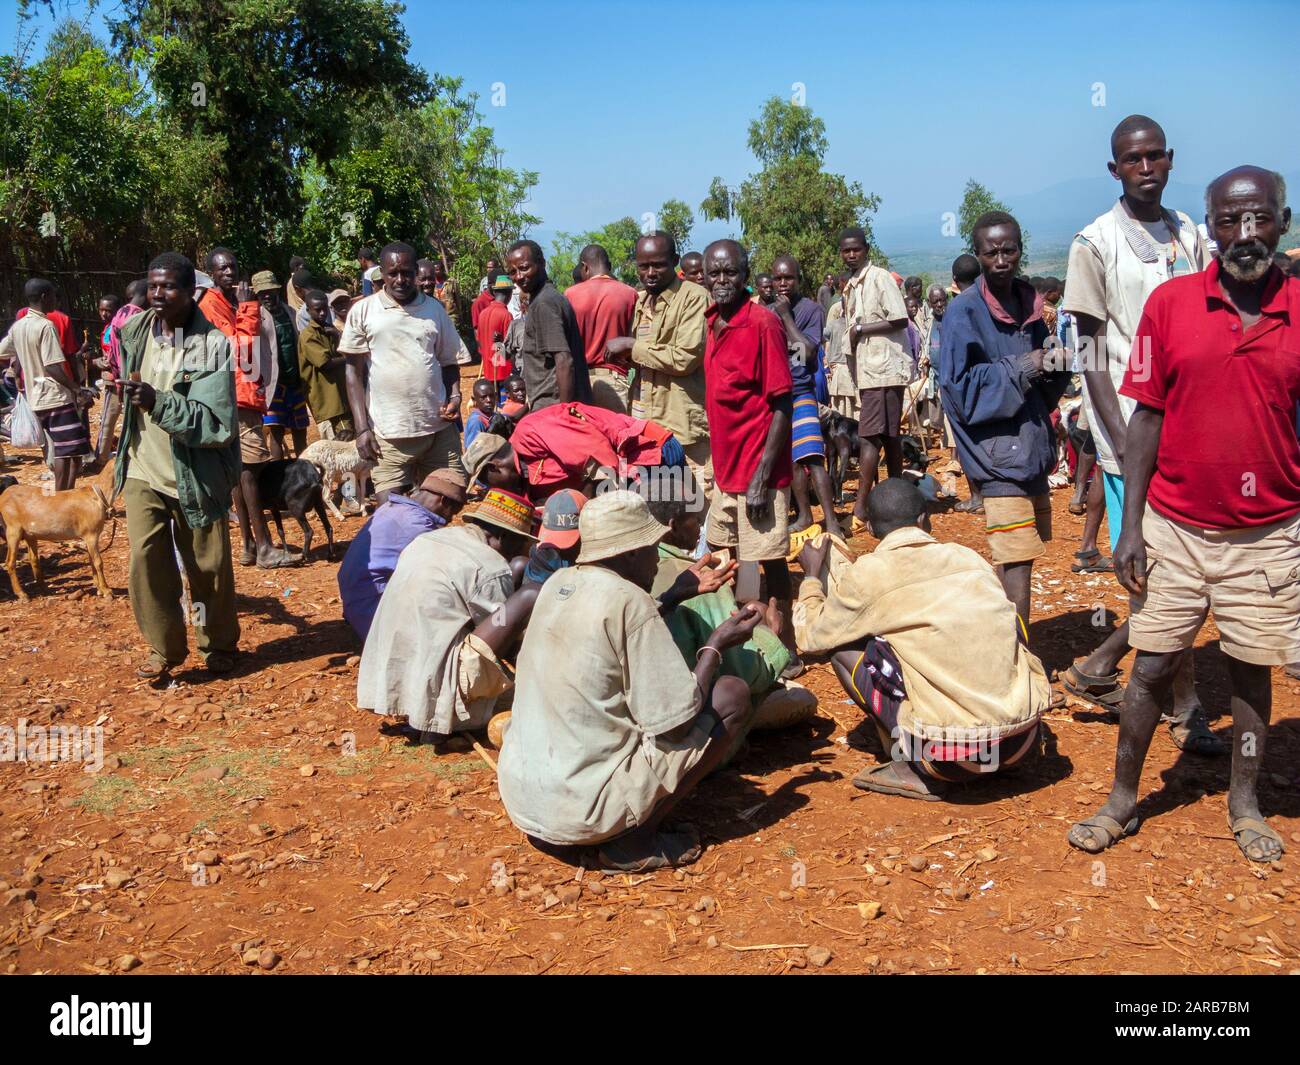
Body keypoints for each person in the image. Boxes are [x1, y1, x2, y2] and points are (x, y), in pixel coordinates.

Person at [1070, 167, 1299, 864]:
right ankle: (1121, 797)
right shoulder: (1170, 306)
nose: (1246, 234)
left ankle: (1245, 800)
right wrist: (1131, 524)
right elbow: (1146, 420)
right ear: (1210, 228)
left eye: (1259, 218)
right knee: (1152, 665)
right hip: (1173, 523)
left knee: (1252, 671)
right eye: (1229, 221)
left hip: (1268, 532)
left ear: (1283, 222)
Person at [498, 489, 765, 871]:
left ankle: (615, 823)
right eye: (652, 548)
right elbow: (679, 720)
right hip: (586, 813)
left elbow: (603, 640)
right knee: (731, 695)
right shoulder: (629, 600)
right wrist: (715, 645)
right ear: (630, 554)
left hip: (527, 802)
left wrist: (673, 595)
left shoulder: (558, 585)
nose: (658, 557)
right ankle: (632, 839)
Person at [1059, 115, 1216, 751]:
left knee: (1192, 565)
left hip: (1194, 427)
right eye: (1132, 159)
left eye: (1155, 156)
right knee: (1150, 568)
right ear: (1114, 168)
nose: (1145, 167)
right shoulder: (1094, 243)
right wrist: (1121, 441)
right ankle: (1185, 707)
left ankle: (1114, 671)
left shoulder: (1193, 235)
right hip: (1132, 429)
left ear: (1171, 160)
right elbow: (1092, 352)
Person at [796, 479, 1049, 800]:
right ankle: (990, 749)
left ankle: (907, 764)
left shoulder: (871, 571)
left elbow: (810, 637)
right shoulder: (968, 558)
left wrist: (810, 578)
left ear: (871, 529)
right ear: (924, 519)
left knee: (843, 648)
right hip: (1021, 742)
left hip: (950, 759)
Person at [938, 211, 1072, 629]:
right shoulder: (963, 313)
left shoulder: (1030, 302)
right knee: (1015, 560)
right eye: (991, 252)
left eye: (1009, 250)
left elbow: (1043, 376)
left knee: (1022, 558)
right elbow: (959, 390)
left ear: (1020, 249)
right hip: (995, 453)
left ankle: (1012, 647)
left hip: (1029, 444)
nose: (1001, 259)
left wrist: (1055, 363)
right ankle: (1018, 661)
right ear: (977, 255)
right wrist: (1027, 365)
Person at [112, 252, 241, 680]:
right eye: (152, 286)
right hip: (141, 468)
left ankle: (218, 644)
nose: (158, 294)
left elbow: (214, 424)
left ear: (192, 293)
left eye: (168, 287)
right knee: (147, 562)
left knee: (207, 567)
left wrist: (156, 401)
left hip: (194, 473)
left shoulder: (212, 345)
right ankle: (164, 649)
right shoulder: (135, 331)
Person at [357, 486, 536, 738]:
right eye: (522, 542)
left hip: (393, 661)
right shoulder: (490, 565)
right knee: (530, 596)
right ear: (506, 538)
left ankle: (426, 717)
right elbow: (496, 640)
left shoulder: (429, 539)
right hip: (436, 673)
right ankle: (442, 716)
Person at [702, 239, 799, 665]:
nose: (722, 281)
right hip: (725, 468)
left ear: (745, 274)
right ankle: (742, 639)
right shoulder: (711, 321)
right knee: (731, 555)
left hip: (759, 468)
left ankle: (788, 644)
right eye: (714, 273)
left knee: (772, 560)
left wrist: (762, 475)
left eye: (730, 273)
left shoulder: (763, 324)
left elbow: (782, 402)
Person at [339, 242, 464, 502]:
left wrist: (454, 396)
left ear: (415, 272)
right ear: (381, 273)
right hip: (388, 435)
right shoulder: (363, 311)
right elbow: (353, 373)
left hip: (436, 431)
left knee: (444, 505)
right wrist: (362, 429)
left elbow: (449, 361)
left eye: (406, 272)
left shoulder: (434, 310)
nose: (400, 279)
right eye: (392, 273)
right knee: (391, 515)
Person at [198, 246, 291, 568]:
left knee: (241, 472)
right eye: (222, 269)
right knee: (249, 469)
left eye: (233, 267)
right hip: (232, 395)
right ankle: (263, 546)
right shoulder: (211, 305)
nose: (230, 273)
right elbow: (239, 346)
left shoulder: (229, 302)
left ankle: (251, 545)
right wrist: (249, 307)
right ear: (210, 273)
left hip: (243, 392)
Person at [602, 232, 713, 495]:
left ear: (674, 261)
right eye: (643, 266)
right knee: (655, 502)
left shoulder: (694, 297)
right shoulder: (639, 302)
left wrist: (631, 346)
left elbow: (684, 357)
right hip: (643, 422)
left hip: (681, 423)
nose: (650, 272)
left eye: (659, 265)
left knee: (694, 502)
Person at [838, 227, 912, 533]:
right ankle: (899, 503)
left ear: (866, 249)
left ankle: (861, 509)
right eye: (846, 250)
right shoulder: (852, 286)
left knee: (869, 437)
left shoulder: (879, 277)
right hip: (871, 371)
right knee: (890, 436)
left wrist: (861, 330)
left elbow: (900, 317)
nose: (851, 254)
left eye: (856, 249)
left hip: (883, 369)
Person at [338, 469, 468, 640]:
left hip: (354, 597)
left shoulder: (392, 507)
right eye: (452, 512)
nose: (450, 519)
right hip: (373, 611)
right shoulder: (419, 527)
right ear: (443, 500)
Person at [463, 400, 673, 504]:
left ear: (494, 467)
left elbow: (603, 462)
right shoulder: (526, 471)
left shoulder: (529, 432)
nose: (490, 489)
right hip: (628, 475)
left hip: (650, 452)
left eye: (487, 481)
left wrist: (582, 508)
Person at [770, 253, 842, 539]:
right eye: (778, 278)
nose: (783, 283)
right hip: (774, 397)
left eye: (789, 278)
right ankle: (804, 515)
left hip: (800, 392)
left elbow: (808, 352)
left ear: (799, 280)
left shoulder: (811, 310)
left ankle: (832, 521)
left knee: (812, 457)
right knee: (791, 461)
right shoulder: (765, 311)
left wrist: (786, 317)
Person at [0, 279, 93, 489]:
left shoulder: (19, 326)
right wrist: (77, 389)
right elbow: (52, 366)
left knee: (67, 450)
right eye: (52, 295)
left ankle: (63, 495)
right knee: (66, 452)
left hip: (35, 397)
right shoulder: (45, 325)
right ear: (44, 296)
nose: (55, 300)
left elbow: (2, 352)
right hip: (54, 397)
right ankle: (62, 497)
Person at [505, 239, 590, 410]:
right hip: (547, 406)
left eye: (524, 268)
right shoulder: (547, 298)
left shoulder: (544, 303)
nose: (519, 277)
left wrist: (564, 415)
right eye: (513, 272)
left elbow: (564, 360)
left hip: (553, 408)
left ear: (542, 263)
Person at [562, 244, 638, 413]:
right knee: (617, 438)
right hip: (614, 382)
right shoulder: (630, 294)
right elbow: (634, 342)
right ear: (608, 266)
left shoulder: (570, 294)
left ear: (584, 267)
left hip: (579, 383)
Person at [253, 271, 309, 460]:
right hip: (273, 385)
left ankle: (303, 475)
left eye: (270, 291)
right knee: (276, 433)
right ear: (257, 295)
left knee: (300, 430)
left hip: (295, 381)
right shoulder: (256, 318)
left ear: (277, 290)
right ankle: (278, 479)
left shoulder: (290, 312)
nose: (267, 296)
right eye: (262, 293)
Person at [96, 280, 148, 465]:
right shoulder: (141, 317)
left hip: (118, 378)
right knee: (119, 421)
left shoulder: (119, 316)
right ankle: (106, 457)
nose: (103, 314)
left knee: (115, 420)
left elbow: (112, 355)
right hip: (131, 380)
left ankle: (103, 457)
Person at [298, 290, 354, 441]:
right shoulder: (309, 335)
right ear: (309, 310)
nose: (322, 313)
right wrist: (349, 357)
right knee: (342, 441)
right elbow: (325, 364)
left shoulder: (329, 330)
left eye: (324, 309)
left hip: (342, 396)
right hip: (330, 401)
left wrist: (338, 335)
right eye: (317, 310)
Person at [475, 274, 515, 388]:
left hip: (488, 370)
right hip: (502, 372)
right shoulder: (506, 315)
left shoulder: (483, 313)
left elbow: (480, 340)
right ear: (509, 294)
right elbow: (506, 348)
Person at [463, 378, 496, 451]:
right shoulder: (477, 421)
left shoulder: (493, 415)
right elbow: (472, 451)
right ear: (474, 400)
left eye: (491, 396)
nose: (489, 400)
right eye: (483, 397)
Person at [471, 256, 502, 330]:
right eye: (488, 267)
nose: (489, 269)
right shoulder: (484, 281)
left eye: (491, 267)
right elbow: (481, 295)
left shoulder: (502, 279)